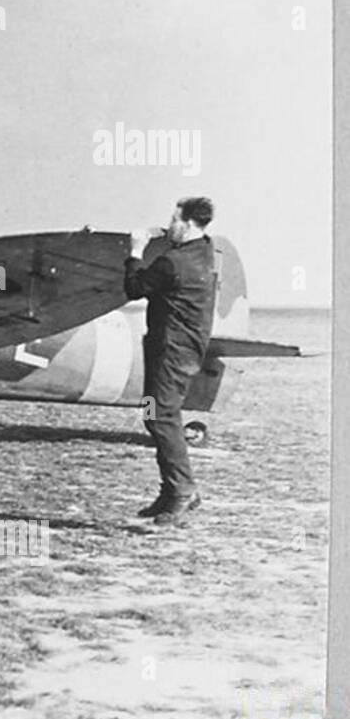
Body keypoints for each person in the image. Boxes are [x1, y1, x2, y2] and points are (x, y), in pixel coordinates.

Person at [124, 197, 218, 526]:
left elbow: (134, 288)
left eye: (175, 220)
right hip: (180, 349)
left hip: (170, 352)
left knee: (160, 417)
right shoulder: (203, 252)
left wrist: (136, 250)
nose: (170, 226)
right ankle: (172, 490)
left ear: (190, 223)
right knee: (157, 415)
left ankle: (182, 491)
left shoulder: (172, 263)